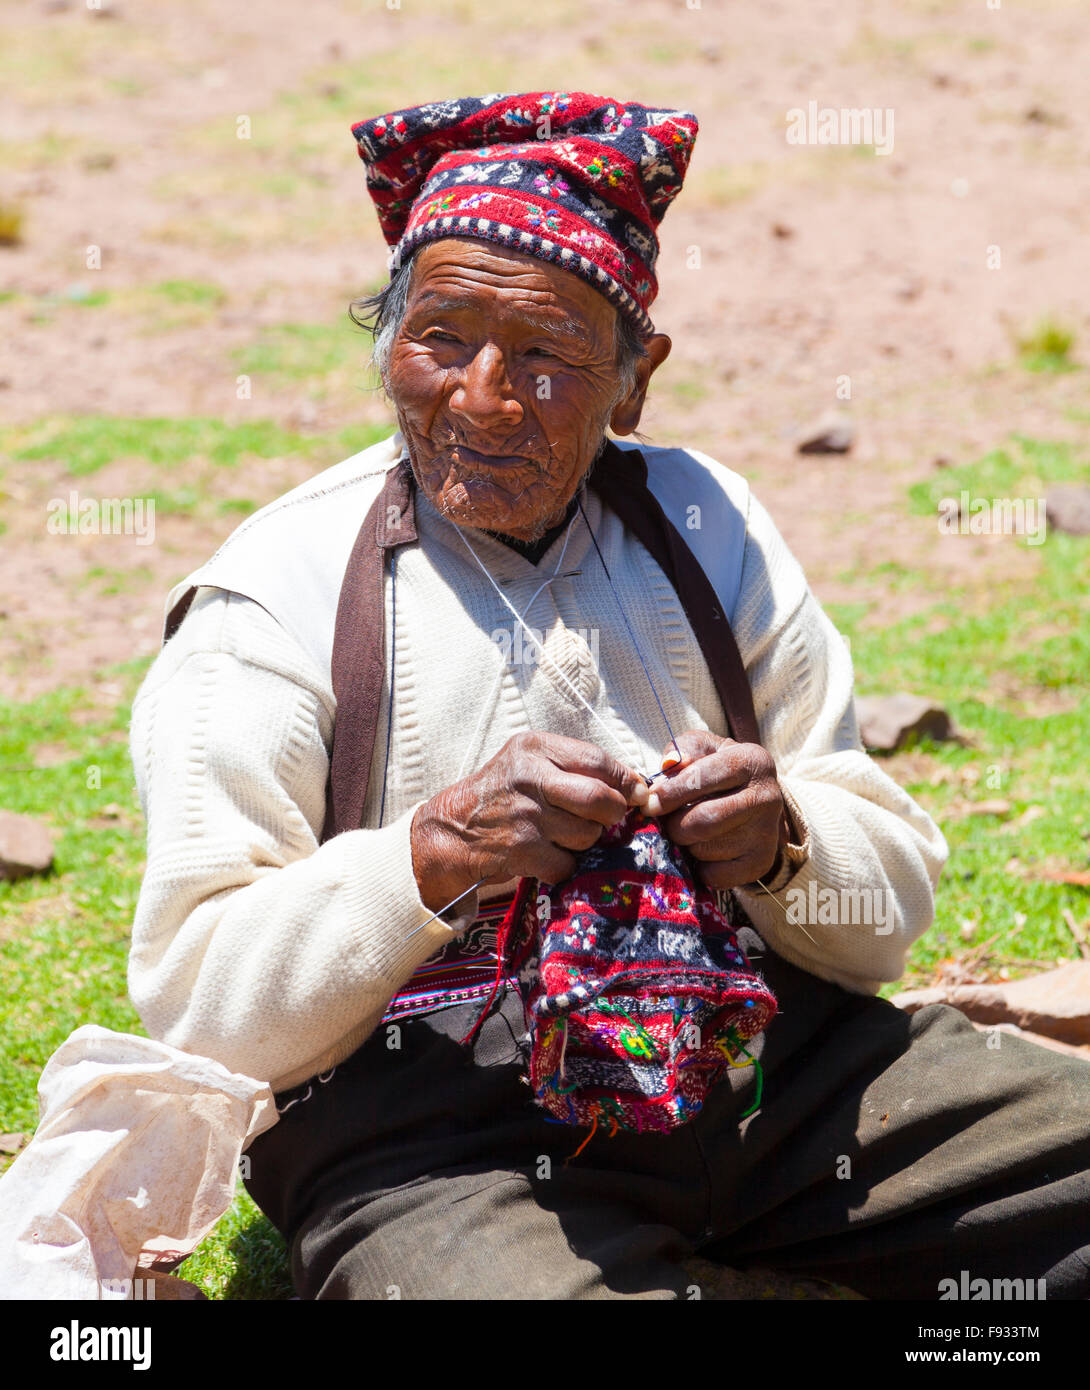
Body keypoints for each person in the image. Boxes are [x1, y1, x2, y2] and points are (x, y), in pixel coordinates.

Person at [127, 91, 1090, 1300]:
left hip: (758, 1068)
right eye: (440, 340)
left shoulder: (707, 527)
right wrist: (432, 856)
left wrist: (784, 838)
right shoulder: (278, 595)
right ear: (386, 352)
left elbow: (884, 915)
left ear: (633, 384)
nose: (479, 396)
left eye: (544, 356)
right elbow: (197, 1008)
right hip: (434, 1141)